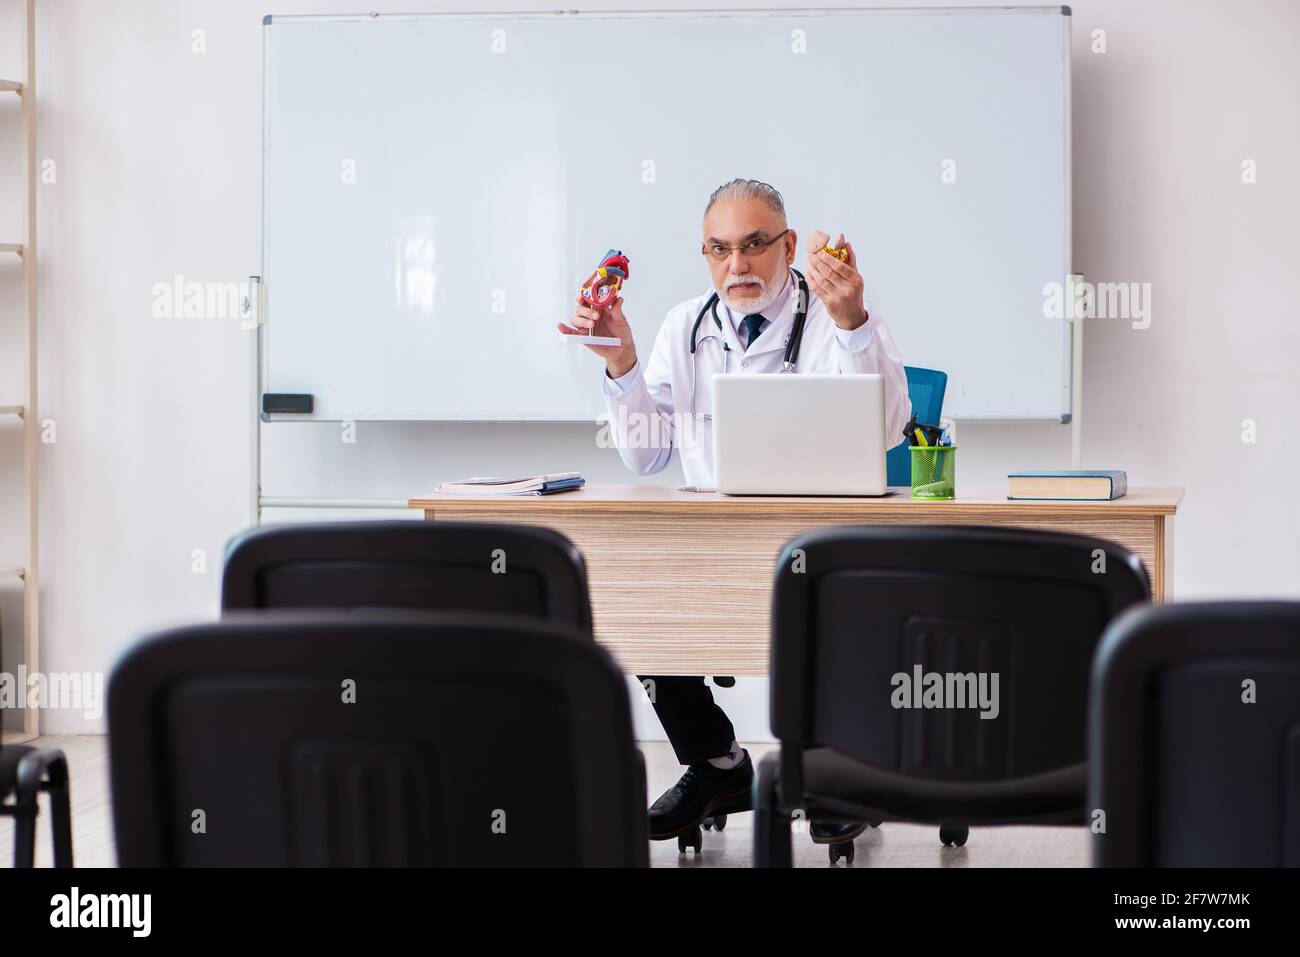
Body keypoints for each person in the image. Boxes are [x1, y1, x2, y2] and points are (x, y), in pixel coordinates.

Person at [559, 178, 910, 844]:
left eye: (754, 245)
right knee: (638, 598)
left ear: (788, 245)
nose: (737, 266)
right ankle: (717, 762)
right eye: (719, 250)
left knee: (838, 603)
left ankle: (841, 769)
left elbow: (891, 429)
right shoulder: (683, 325)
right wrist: (623, 364)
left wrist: (854, 326)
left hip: (823, 548)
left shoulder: (841, 314)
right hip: (717, 551)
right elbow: (646, 456)